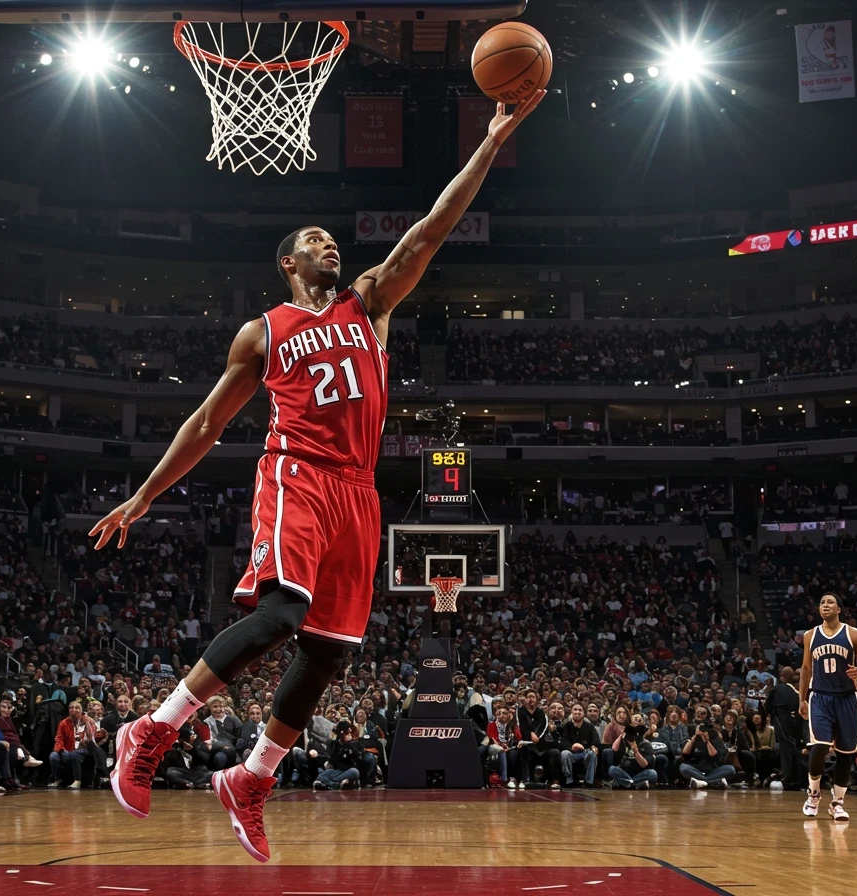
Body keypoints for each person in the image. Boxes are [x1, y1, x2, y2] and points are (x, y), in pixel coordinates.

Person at [91, 91, 545, 864]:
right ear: (288, 263)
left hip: (358, 491)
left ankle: (251, 778)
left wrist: (492, 143)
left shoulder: (370, 304)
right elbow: (205, 424)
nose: (328, 245)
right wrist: (144, 495)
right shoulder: (262, 332)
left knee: (330, 650)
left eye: (332, 240)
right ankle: (153, 729)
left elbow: (432, 227)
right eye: (314, 241)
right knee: (279, 615)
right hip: (296, 473)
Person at [798, 592, 857, 822]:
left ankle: (837, 803)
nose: (825, 605)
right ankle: (813, 794)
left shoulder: (853, 633)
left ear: (839, 608)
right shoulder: (810, 635)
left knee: (845, 753)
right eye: (822, 602)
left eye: (830, 602)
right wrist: (802, 699)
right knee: (820, 745)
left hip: (847, 698)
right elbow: (806, 669)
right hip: (820, 697)